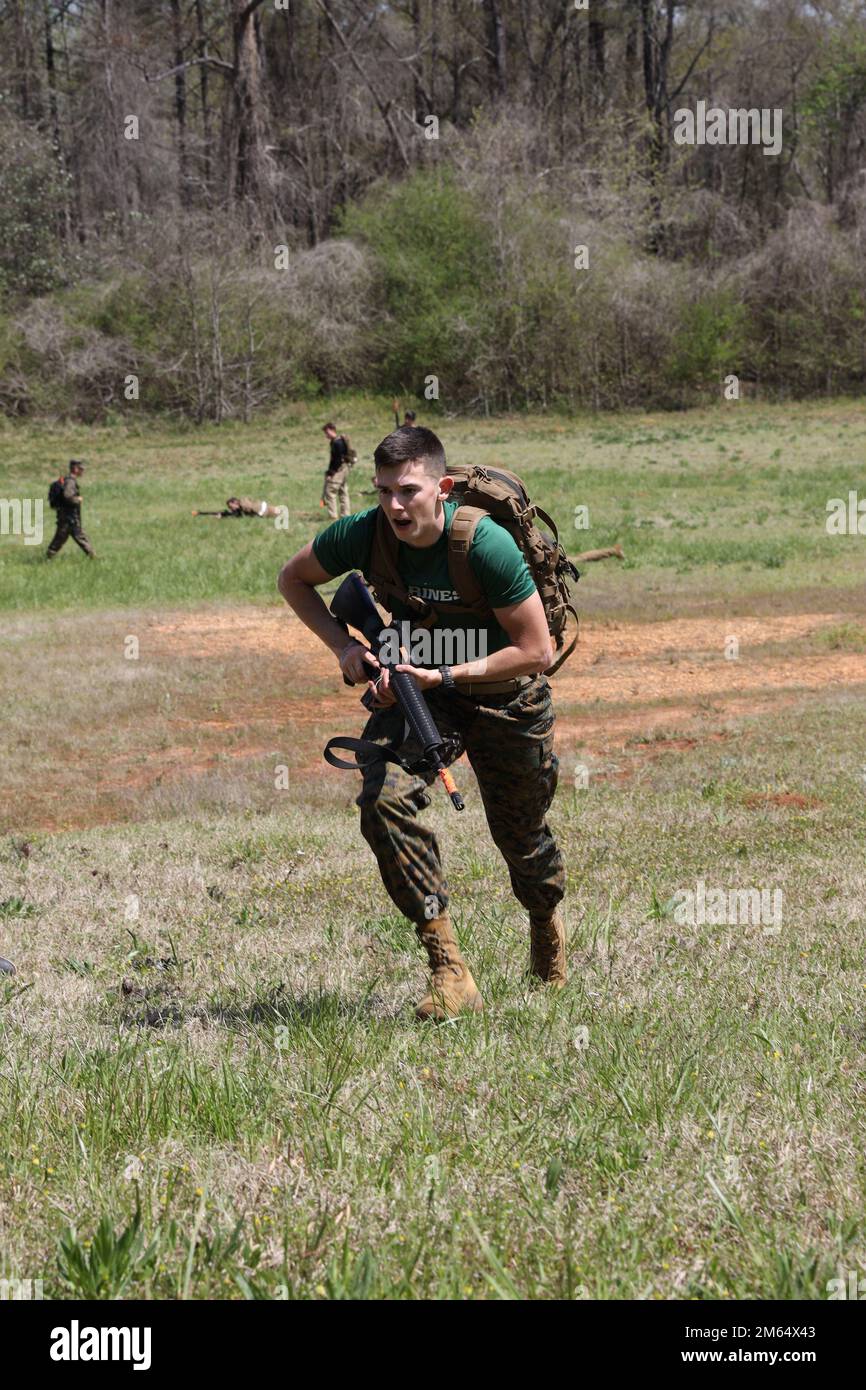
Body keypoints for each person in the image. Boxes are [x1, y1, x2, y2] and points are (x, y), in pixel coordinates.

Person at [278, 425, 566, 1021]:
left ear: (444, 488)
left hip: (504, 694)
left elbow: (536, 650)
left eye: (408, 490)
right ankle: (448, 966)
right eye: (383, 490)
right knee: (381, 800)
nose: (394, 505)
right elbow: (293, 579)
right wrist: (345, 648)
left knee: (521, 836)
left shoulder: (484, 546)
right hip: (420, 691)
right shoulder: (362, 533)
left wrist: (449, 675)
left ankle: (545, 922)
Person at [46, 460, 95, 559]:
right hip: (70, 517)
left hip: (65, 516)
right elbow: (68, 496)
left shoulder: (68, 480)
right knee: (79, 537)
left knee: (60, 537)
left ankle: (49, 556)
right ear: (76, 469)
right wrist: (78, 499)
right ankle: (93, 557)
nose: (82, 471)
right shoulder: (70, 482)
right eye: (81, 469)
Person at [321, 423, 355, 520]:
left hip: (340, 469)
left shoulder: (337, 443)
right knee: (343, 491)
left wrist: (331, 473)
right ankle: (346, 515)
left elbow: (337, 460)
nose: (326, 435)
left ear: (332, 430)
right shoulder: (336, 441)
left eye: (327, 432)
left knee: (330, 491)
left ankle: (333, 516)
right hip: (344, 468)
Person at [192, 497, 281, 518]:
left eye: (232, 505)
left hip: (265, 510)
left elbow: (250, 507)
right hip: (265, 510)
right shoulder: (239, 509)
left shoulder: (244, 503)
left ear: (235, 502)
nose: (232, 508)